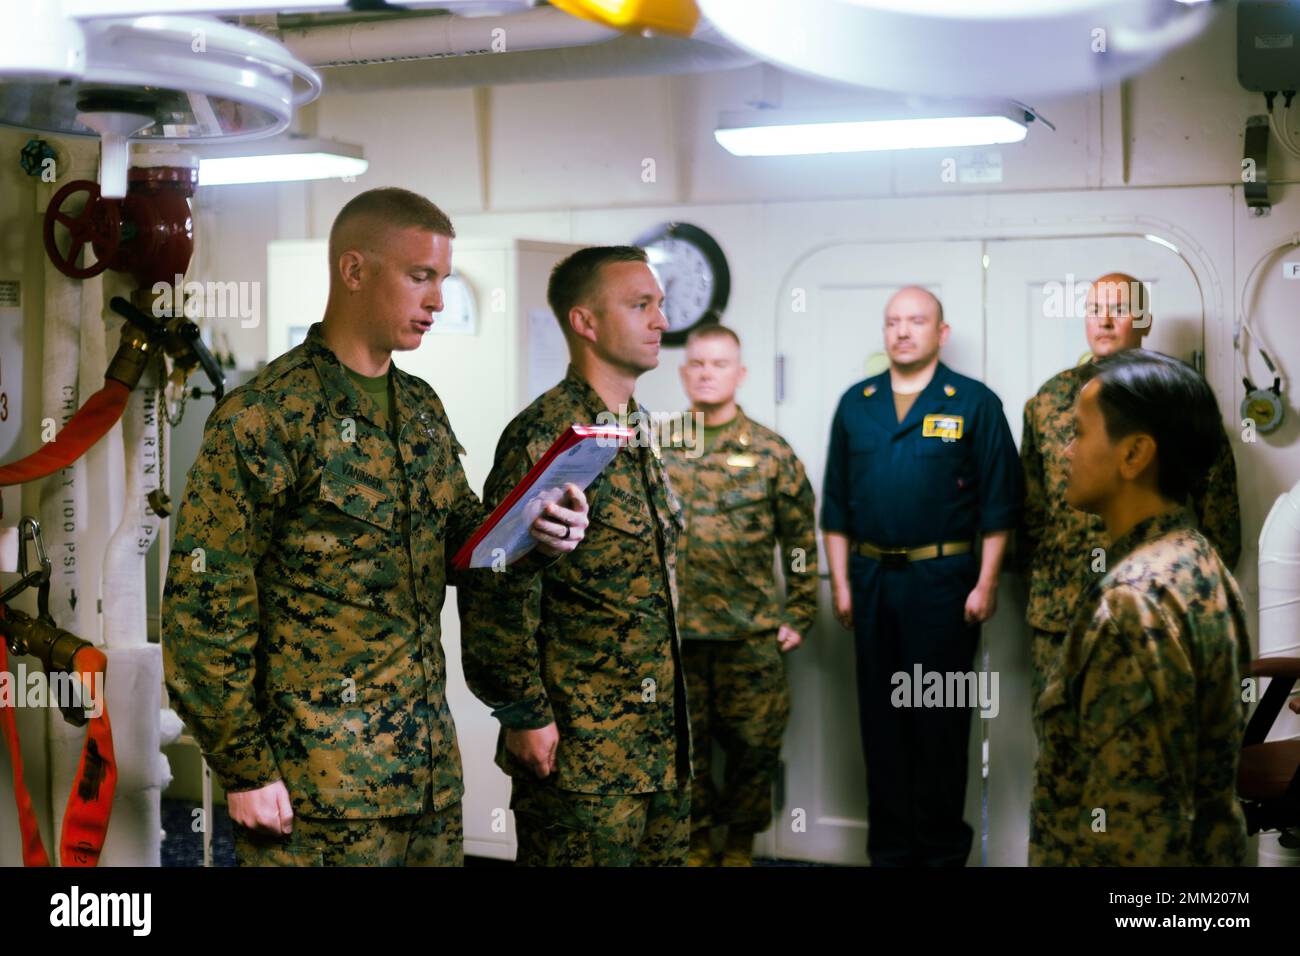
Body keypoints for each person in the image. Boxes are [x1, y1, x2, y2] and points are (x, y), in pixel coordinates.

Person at [162, 187, 588, 867]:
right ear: (354, 272)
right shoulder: (266, 416)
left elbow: (463, 550)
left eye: (443, 280)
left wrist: (536, 535)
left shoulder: (419, 407)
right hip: (314, 790)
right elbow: (206, 606)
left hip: (425, 780)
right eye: (421, 277)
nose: (439, 302)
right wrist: (243, 767)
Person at [457, 245, 691, 866]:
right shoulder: (545, 436)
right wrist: (522, 711)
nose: (661, 321)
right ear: (585, 323)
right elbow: (493, 583)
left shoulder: (635, 429)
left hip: (660, 750)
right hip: (582, 758)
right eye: (641, 306)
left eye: (660, 305)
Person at [822, 286, 1020, 866]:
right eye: (892, 322)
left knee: (938, 724)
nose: (902, 331)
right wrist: (841, 584)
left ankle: (938, 855)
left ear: (942, 332)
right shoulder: (856, 403)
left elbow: (1000, 505)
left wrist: (987, 582)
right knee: (881, 725)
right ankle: (888, 854)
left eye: (916, 321)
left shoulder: (974, 404)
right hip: (871, 581)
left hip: (944, 585)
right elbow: (835, 506)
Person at [1030, 350, 1251, 866]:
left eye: (1080, 433)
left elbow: (1136, 837)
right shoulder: (1196, 558)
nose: (1066, 451)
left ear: (1134, 455)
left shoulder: (1131, 604)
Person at [1020, 272, 1241, 696]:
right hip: (1061, 610)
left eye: (1119, 310)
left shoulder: (1175, 397)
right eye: (1095, 311)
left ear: (1144, 321)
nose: (1104, 321)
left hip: (1155, 609)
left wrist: (1195, 594)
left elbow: (1221, 514)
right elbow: (1031, 506)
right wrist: (1042, 583)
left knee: (1144, 745)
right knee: (1058, 741)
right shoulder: (1050, 398)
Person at [662, 324, 817, 867]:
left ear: (740, 373)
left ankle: (741, 845)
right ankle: (699, 841)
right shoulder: (658, 445)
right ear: (684, 373)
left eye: (719, 364)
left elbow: (800, 538)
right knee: (686, 748)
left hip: (749, 633)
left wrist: (800, 611)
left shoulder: (772, 453)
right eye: (698, 364)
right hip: (677, 633)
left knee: (755, 747)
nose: (707, 372)